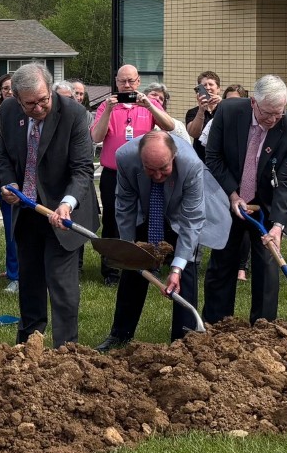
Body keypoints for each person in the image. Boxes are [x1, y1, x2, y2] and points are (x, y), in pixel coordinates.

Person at [98, 130, 232, 349]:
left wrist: (176, 269)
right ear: (141, 159)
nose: (158, 175)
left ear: (174, 156)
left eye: (163, 168)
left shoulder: (191, 164)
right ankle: (120, 335)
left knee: (185, 270)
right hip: (145, 211)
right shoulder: (125, 157)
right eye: (151, 170)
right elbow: (124, 205)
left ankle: (184, 338)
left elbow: (192, 220)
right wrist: (128, 247)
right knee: (133, 271)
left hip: (180, 214)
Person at [0, 62, 96, 347]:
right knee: (30, 282)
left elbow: (82, 169)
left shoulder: (74, 114)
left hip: (63, 211)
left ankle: (65, 350)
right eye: (30, 104)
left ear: (50, 90)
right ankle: (28, 346)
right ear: (16, 98)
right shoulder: (7, 111)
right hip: (27, 210)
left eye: (43, 100)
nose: (39, 108)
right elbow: (3, 158)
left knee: (62, 285)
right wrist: (9, 184)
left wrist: (67, 204)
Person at [202, 75, 287, 324]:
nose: (273, 120)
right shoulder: (228, 111)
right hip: (229, 196)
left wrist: (277, 225)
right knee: (222, 261)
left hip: (267, 203)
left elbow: (286, 179)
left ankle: (263, 327)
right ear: (253, 102)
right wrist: (232, 194)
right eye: (268, 113)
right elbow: (213, 157)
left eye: (278, 113)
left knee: (267, 267)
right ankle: (216, 325)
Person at [92, 64, 158, 285]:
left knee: (143, 219)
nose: (127, 85)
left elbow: (168, 126)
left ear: (138, 81)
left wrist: (149, 105)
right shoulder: (106, 106)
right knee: (112, 220)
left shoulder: (148, 103)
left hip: (143, 173)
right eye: (122, 81)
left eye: (131, 81)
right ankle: (111, 270)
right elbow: (96, 137)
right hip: (113, 173)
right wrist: (109, 111)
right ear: (116, 82)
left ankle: (142, 265)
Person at [0, 74, 21, 289]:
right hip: (6, 181)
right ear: (0, 92)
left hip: (29, 181)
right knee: (11, 230)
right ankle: (14, 273)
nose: (9, 91)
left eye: (12, 88)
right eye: (5, 88)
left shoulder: (28, 113)